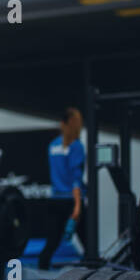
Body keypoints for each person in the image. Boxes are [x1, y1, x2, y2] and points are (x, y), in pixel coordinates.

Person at [40, 107, 86, 269]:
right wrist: (78, 206)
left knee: (51, 242)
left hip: (55, 200)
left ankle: (41, 273)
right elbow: (76, 178)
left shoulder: (53, 145)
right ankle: (92, 278)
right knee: (89, 244)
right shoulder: (77, 147)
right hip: (71, 200)